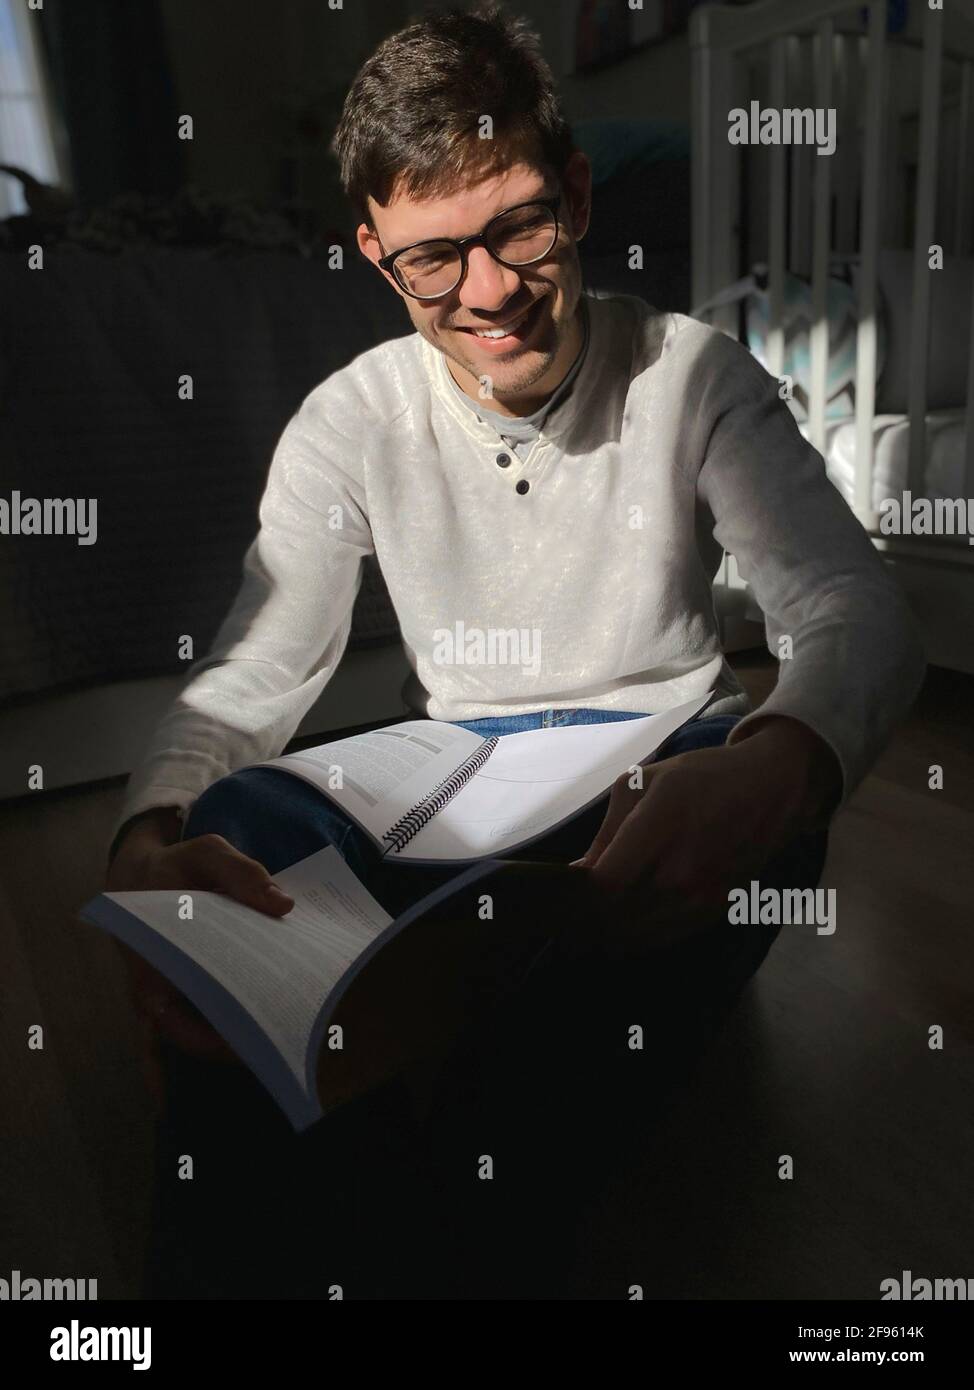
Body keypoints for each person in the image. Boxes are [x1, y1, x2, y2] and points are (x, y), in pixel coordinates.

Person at [105, 3, 926, 1298]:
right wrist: (150, 843)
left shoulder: (689, 372)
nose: (487, 291)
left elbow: (851, 609)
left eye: (519, 227)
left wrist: (781, 762)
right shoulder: (349, 420)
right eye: (433, 259)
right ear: (375, 258)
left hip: (660, 775)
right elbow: (252, 678)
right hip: (451, 786)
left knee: (768, 813)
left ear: (580, 195)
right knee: (246, 815)